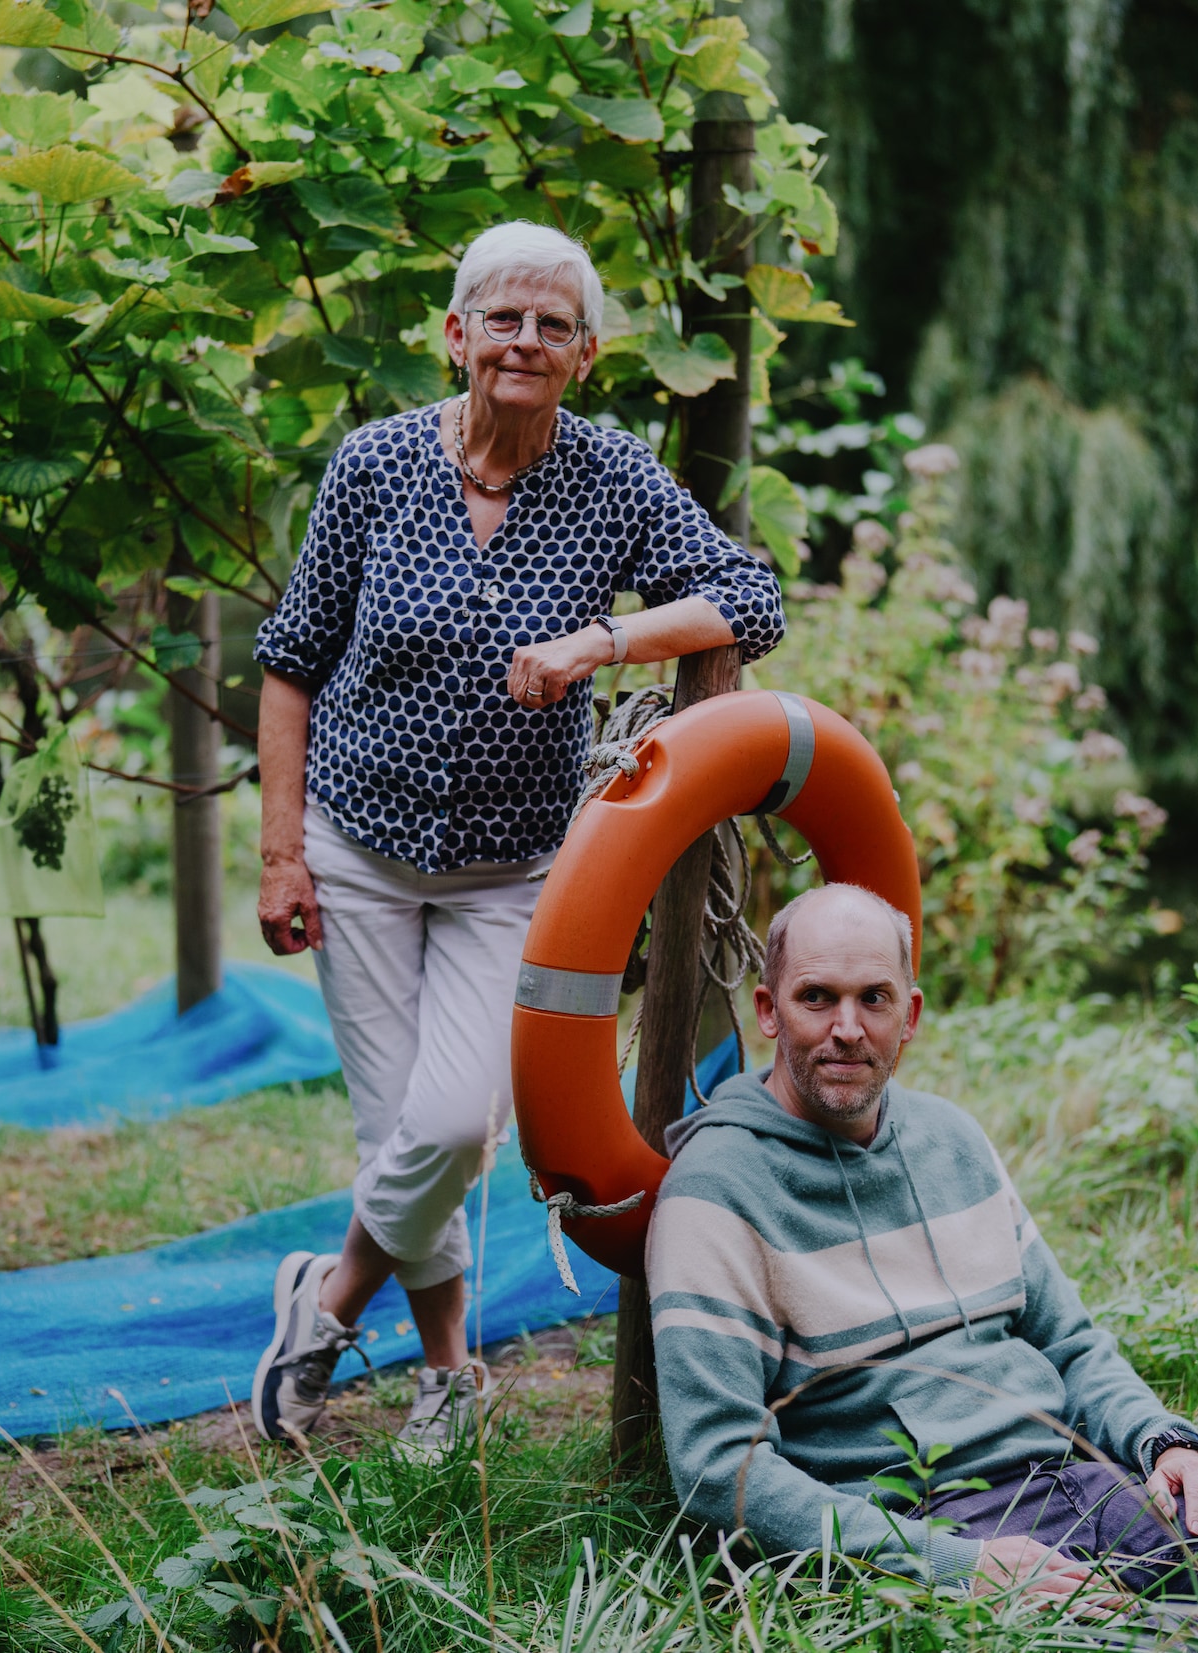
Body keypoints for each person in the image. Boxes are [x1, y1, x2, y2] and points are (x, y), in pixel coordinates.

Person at [248, 222, 786, 1457]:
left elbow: (746, 598)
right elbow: (288, 666)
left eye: (552, 325)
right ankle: (446, 1375)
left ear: (583, 354)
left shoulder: (606, 479)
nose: (524, 342)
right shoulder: (376, 466)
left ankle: (318, 1307)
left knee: (449, 1129)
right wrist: (282, 853)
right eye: (502, 319)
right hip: (356, 849)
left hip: (512, 876)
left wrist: (601, 642)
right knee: (403, 1137)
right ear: (456, 336)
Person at [649, 884, 1198, 1651]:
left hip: (1077, 1483)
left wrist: (1164, 1444)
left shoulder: (952, 1140)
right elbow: (719, 1467)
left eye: (874, 999)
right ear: (766, 1010)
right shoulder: (716, 1188)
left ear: (911, 1015)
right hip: (925, 1523)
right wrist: (954, 1565)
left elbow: (1067, 1338)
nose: (847, 1027)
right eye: (816, 997)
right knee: (1178, 1642)